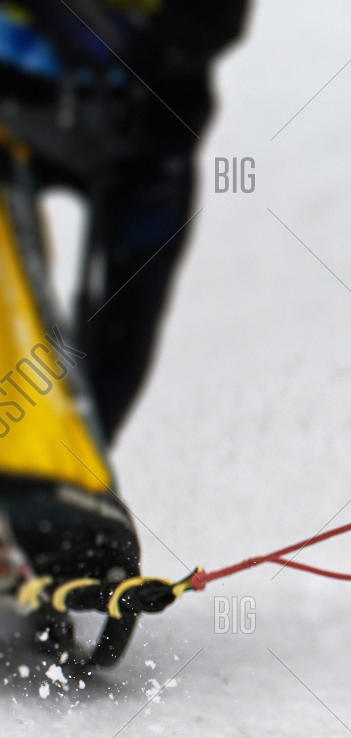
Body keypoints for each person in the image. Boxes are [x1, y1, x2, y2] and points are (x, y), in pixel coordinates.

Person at [0, 1, 249, 668]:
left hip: (147, 115)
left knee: (122, 331)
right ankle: (23, 465)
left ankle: (55, 493)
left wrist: (143, 50)